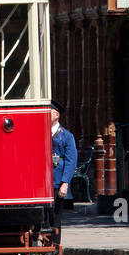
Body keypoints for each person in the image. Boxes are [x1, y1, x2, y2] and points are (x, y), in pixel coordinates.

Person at [50, 103, 77, 244]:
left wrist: (65, 182)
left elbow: (71, 161)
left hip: (57, 180)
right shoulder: (40, 132)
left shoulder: (66, 136)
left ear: (56, 115)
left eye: (49, 112)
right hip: (43, 182)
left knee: (56, 216)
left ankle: (54, 246)